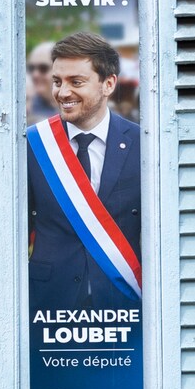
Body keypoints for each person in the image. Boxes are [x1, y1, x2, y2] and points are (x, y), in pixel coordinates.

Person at [26, 30, 142, 311]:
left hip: (123, 302)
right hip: (50, 304)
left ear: (108, 84)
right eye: (57, 82)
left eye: (76, 82)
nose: (62, 93)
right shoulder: (33, 145)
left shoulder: (143, 145)